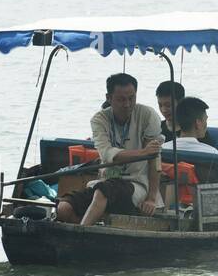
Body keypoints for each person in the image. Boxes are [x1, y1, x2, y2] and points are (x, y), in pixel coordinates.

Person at [56, 73, 162, 225]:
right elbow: (107, 154)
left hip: (136, 185)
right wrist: (143, 153)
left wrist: (151, 199)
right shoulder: (99, 119)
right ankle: (91, 233)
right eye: (121, 99)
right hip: (105, 181)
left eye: (131, 98)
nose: (127, 104)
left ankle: (81, 235)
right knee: (63, 208)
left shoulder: (148, 115)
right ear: (109, 98)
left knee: (103, 191)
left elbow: (155, 160)